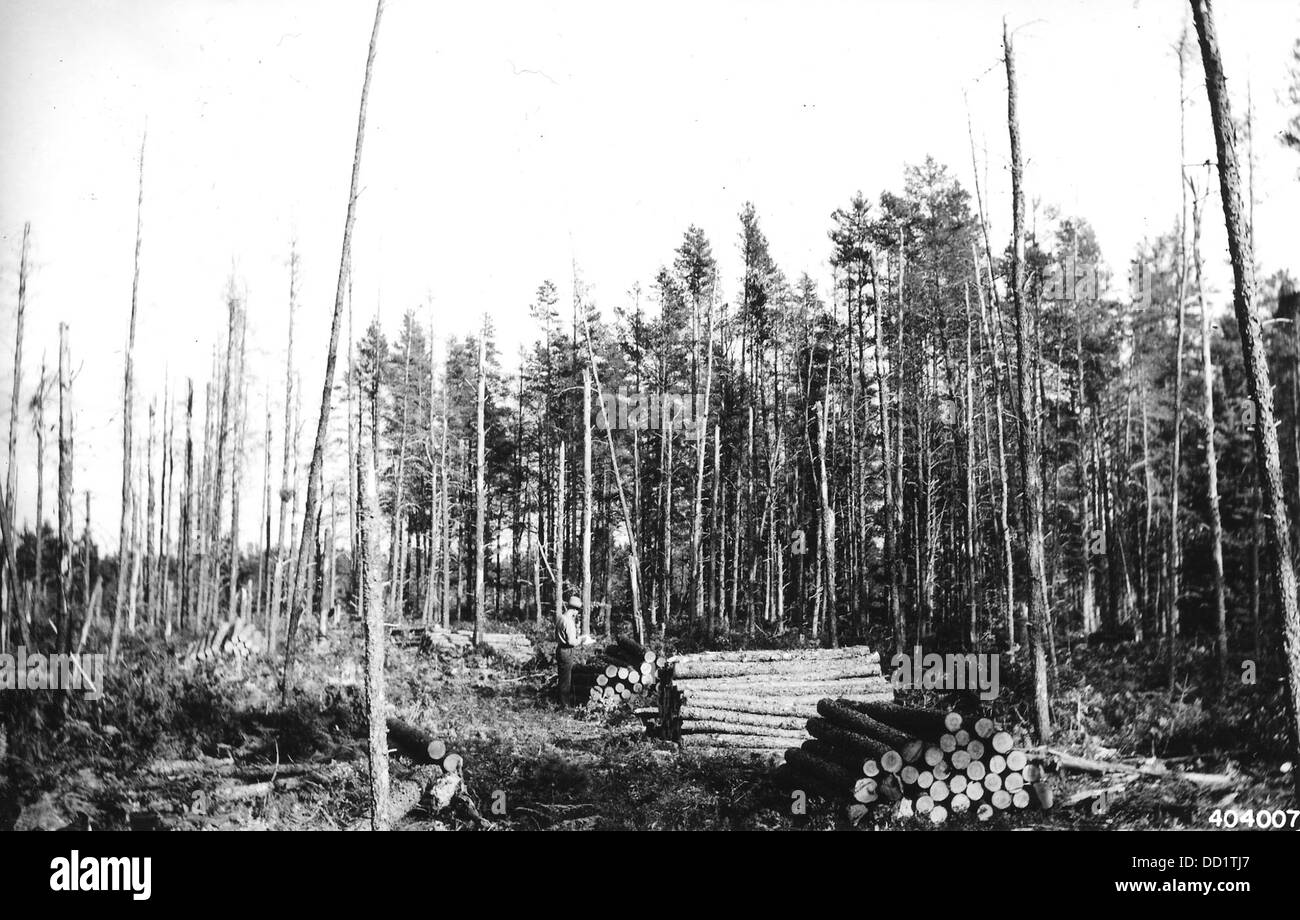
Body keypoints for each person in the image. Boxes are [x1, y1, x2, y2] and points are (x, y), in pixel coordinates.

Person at [555, 595, 583, 706]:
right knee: (566, 680)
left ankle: (559, 701)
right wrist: (580, 640)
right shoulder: (569, 622)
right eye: (577, 610)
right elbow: (571, 642)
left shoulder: (561, 618)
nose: (577, 613)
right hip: (567, 651)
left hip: (560, 649)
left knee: (562, 677)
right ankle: (564, 705)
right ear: (574, 610)